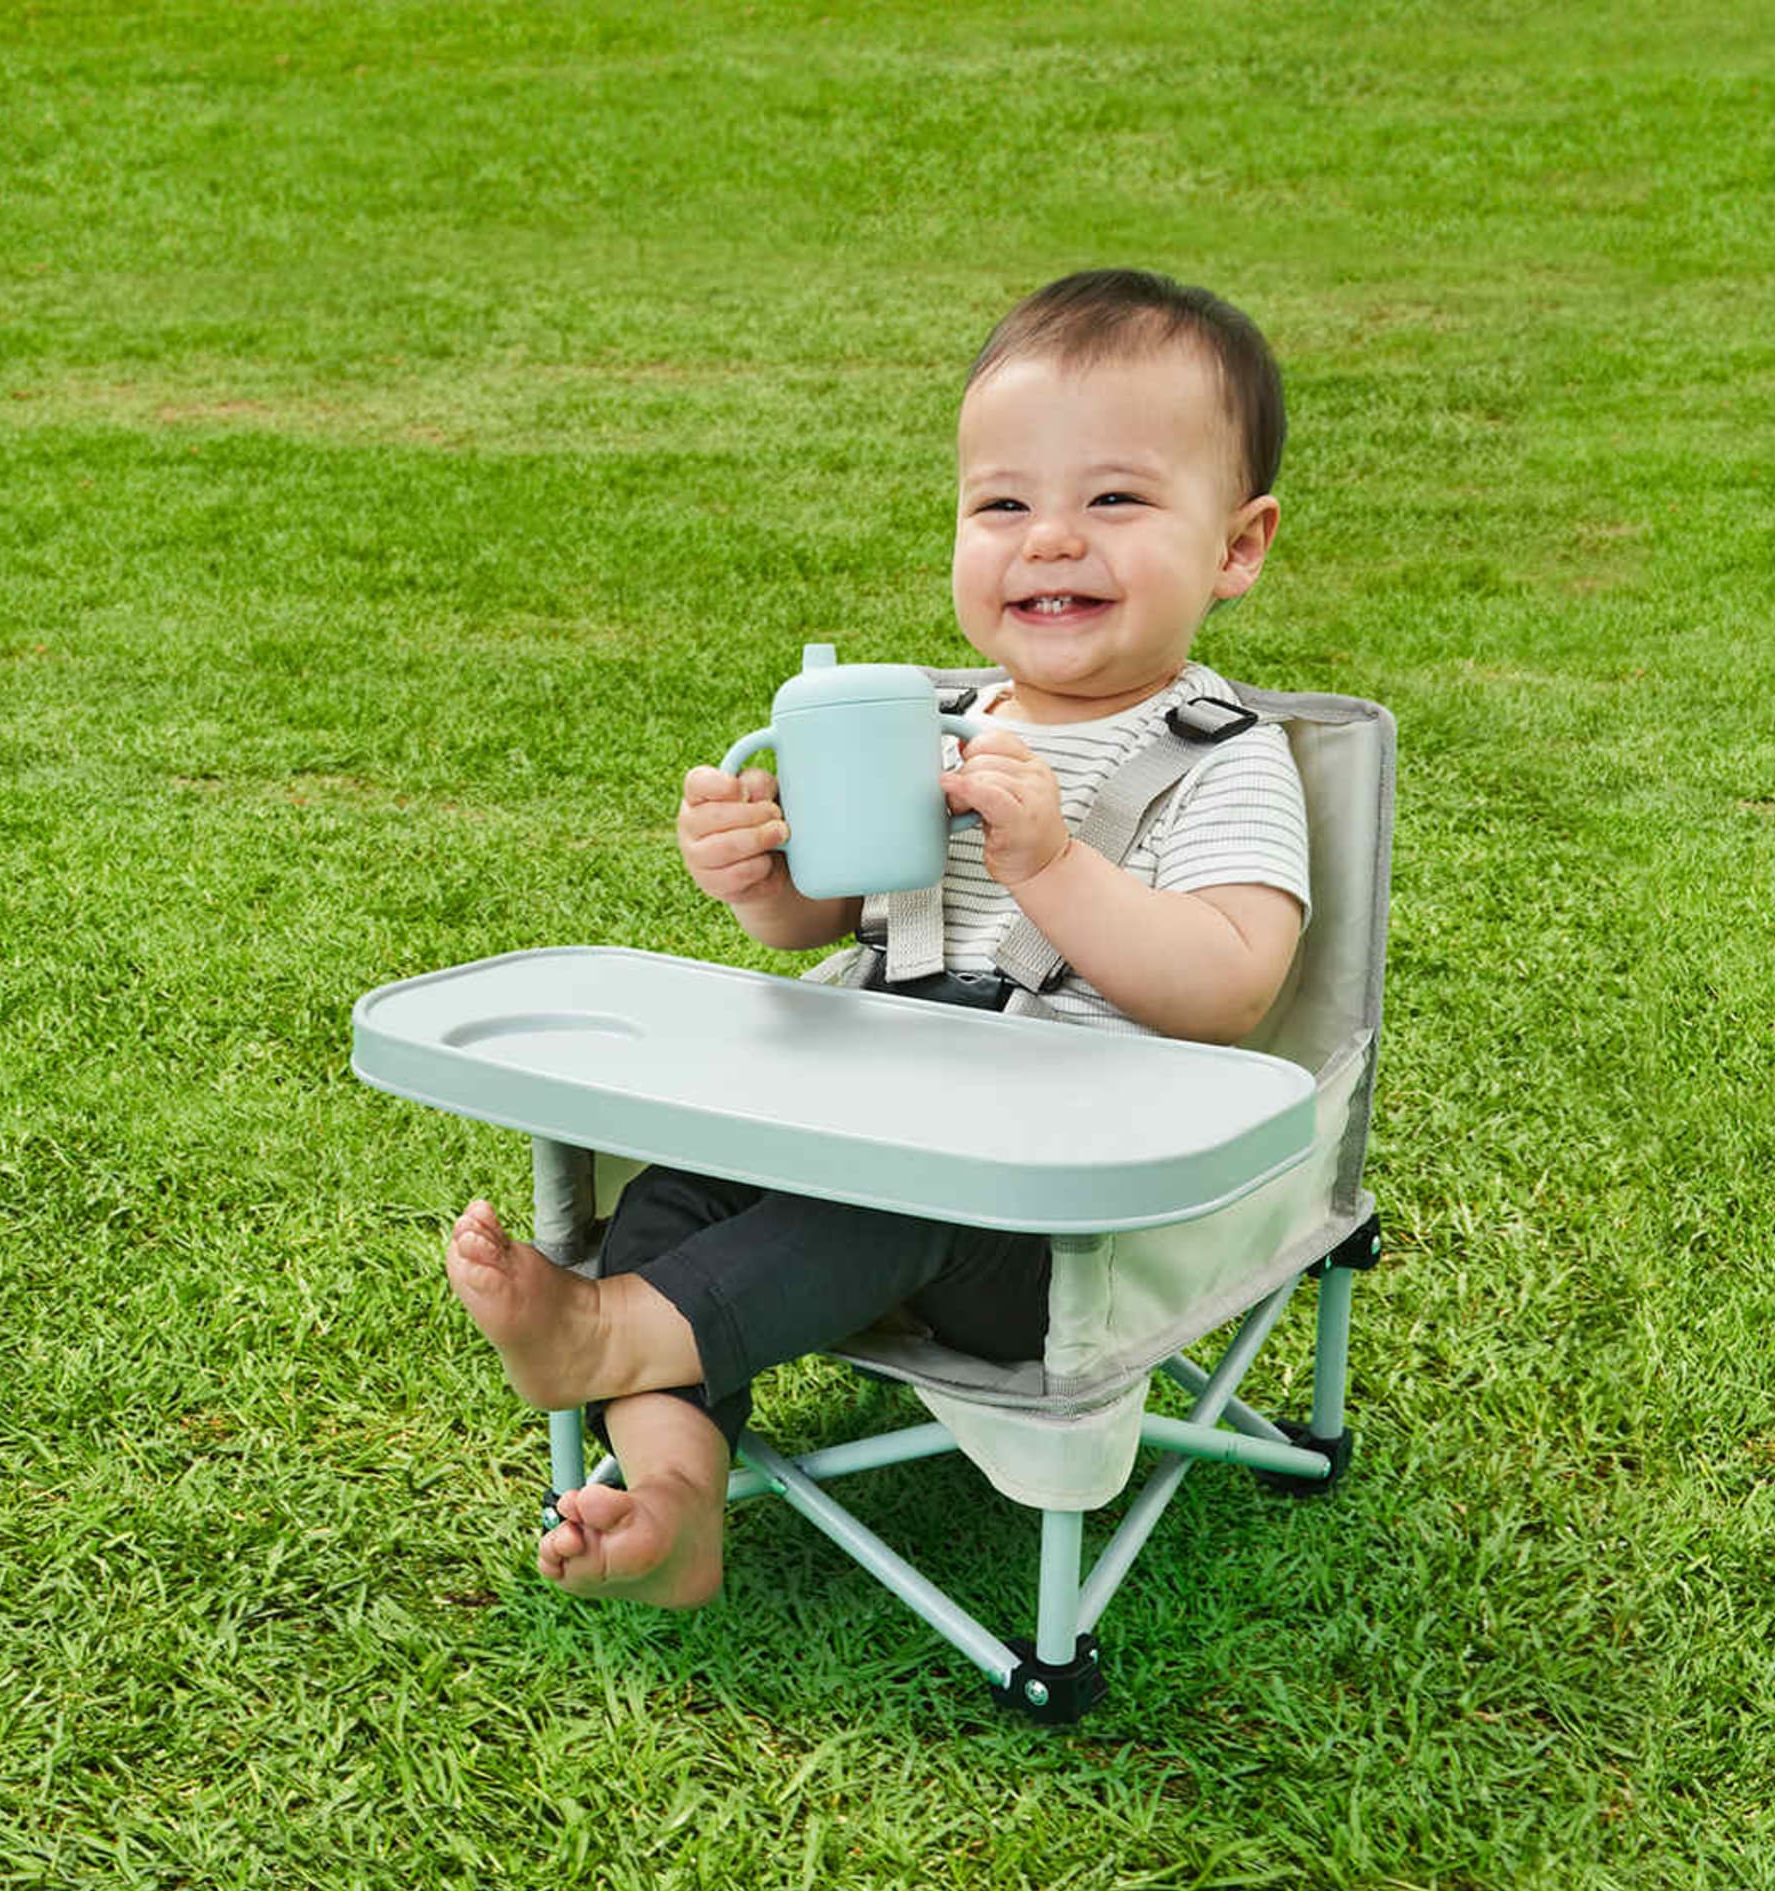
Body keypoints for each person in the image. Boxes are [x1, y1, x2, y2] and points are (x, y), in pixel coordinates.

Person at [444, 269, 1311, 1606]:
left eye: (1116, 500)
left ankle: (610, 1334)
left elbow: (1232, 989)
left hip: (1057, 1225)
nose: (1051, 541)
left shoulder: (1224, 757)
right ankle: (674, 1499)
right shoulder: (930, 714)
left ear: (1238, 546)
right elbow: (839, 924)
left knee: (888, 1191)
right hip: (869, 1114)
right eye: (1003, 504)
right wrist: (758, 880)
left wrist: (1056, 865)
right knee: (676, 1195)